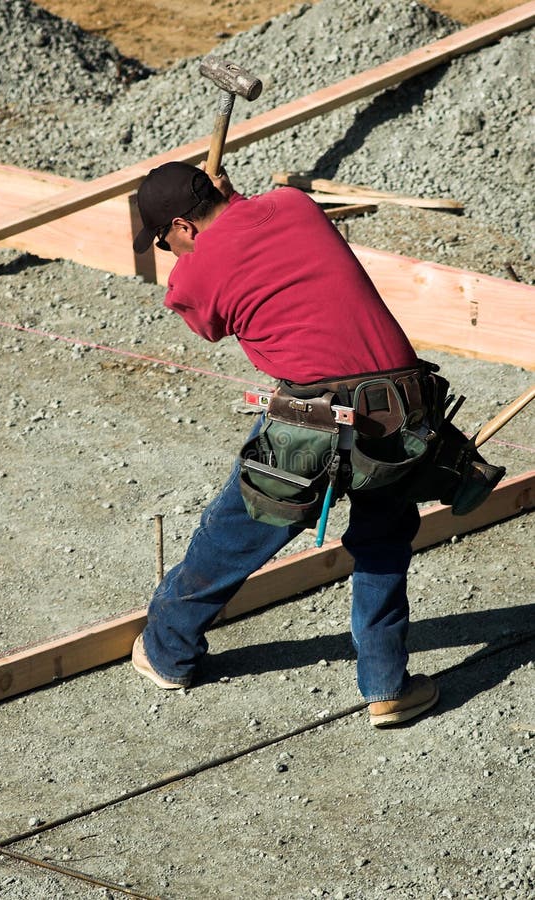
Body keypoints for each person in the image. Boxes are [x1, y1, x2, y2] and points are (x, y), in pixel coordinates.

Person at [130, 160, 442, 727]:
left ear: (184, 227)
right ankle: (387, 687)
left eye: (164, 241)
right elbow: (256, 225)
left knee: (235, 531)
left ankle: (166, 650)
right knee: (384, 540)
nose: (168, 252)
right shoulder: (295, 205)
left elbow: (200, 315)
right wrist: (233, 201)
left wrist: (201, 251)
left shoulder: (196, 273)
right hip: (402, 404)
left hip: (316, 416)